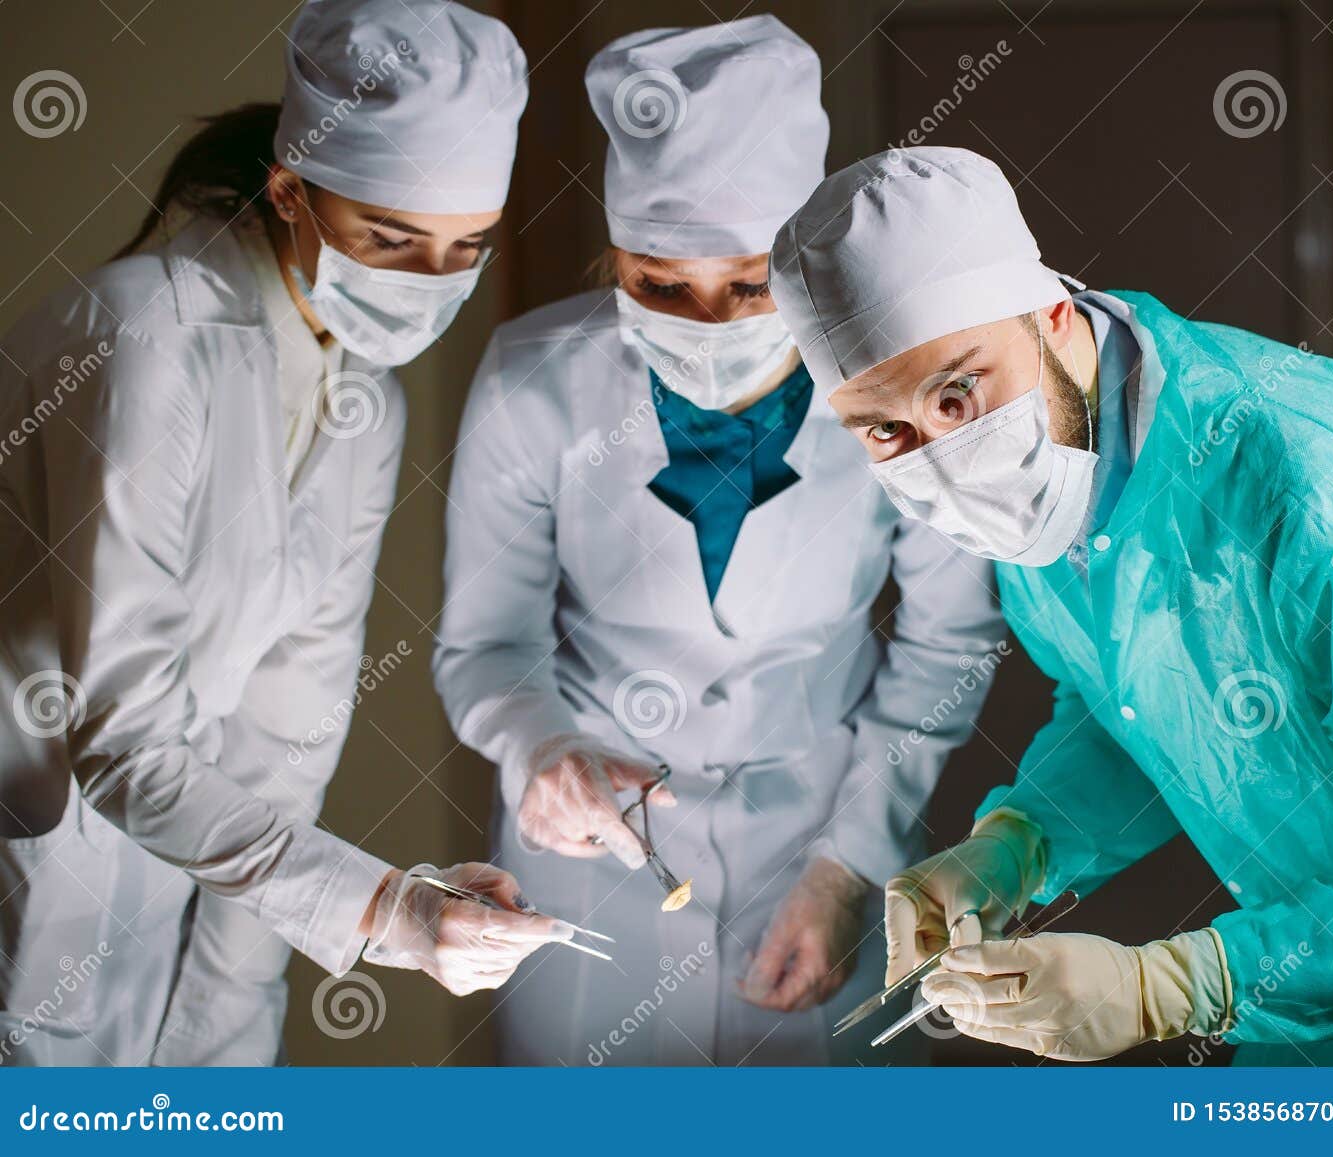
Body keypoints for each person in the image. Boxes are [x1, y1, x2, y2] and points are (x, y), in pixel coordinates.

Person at [767, 146, 1333, 1065]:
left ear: (1051, 312)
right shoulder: (1050, 484)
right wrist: (1021, 840)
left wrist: (1171, 987)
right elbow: (1139, 699)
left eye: (960, 393)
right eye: (887, 430)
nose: (943, 456)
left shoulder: (1327, 497)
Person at [0, 0, 569, 1068]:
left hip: (169, 876)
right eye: (388, 238)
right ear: (290, 191)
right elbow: (117, 733)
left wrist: (235, 1033)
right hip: (36, 848)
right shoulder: (146, 339)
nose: (423, 283)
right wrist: (385, 912)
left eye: (464, 251)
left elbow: (285, 743)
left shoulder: (367, 402)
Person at [434, 18, 1004, 1066]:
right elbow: (483, 646)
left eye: (749, 286)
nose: (706, 320)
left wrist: (850, 864)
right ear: (614, 258)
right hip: (591, 867)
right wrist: (536, 747)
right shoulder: (532, 380)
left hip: (827, 832)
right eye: (658, 284)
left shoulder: (887, 381)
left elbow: (950, 640)